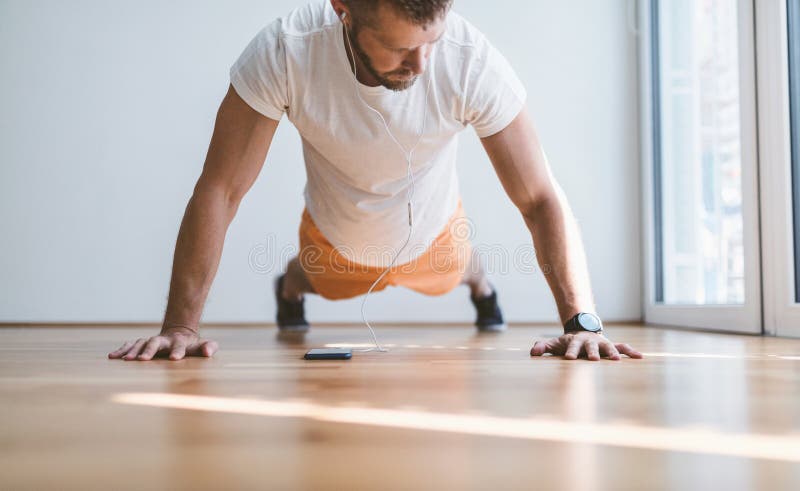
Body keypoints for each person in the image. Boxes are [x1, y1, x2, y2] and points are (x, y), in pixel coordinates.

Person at [109, 0, 643, 362]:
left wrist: (582, 322)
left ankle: (481, 282)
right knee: (308, 276)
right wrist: (181, 326)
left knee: (458, 269)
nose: (421, 63)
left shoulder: (470, 61)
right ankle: (289, 286)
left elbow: (539, 196)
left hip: (435, 232)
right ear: (342, 8)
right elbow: (220, 189)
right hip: (336, 236)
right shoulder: (286, 51)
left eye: (430, 41)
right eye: (399, 48)